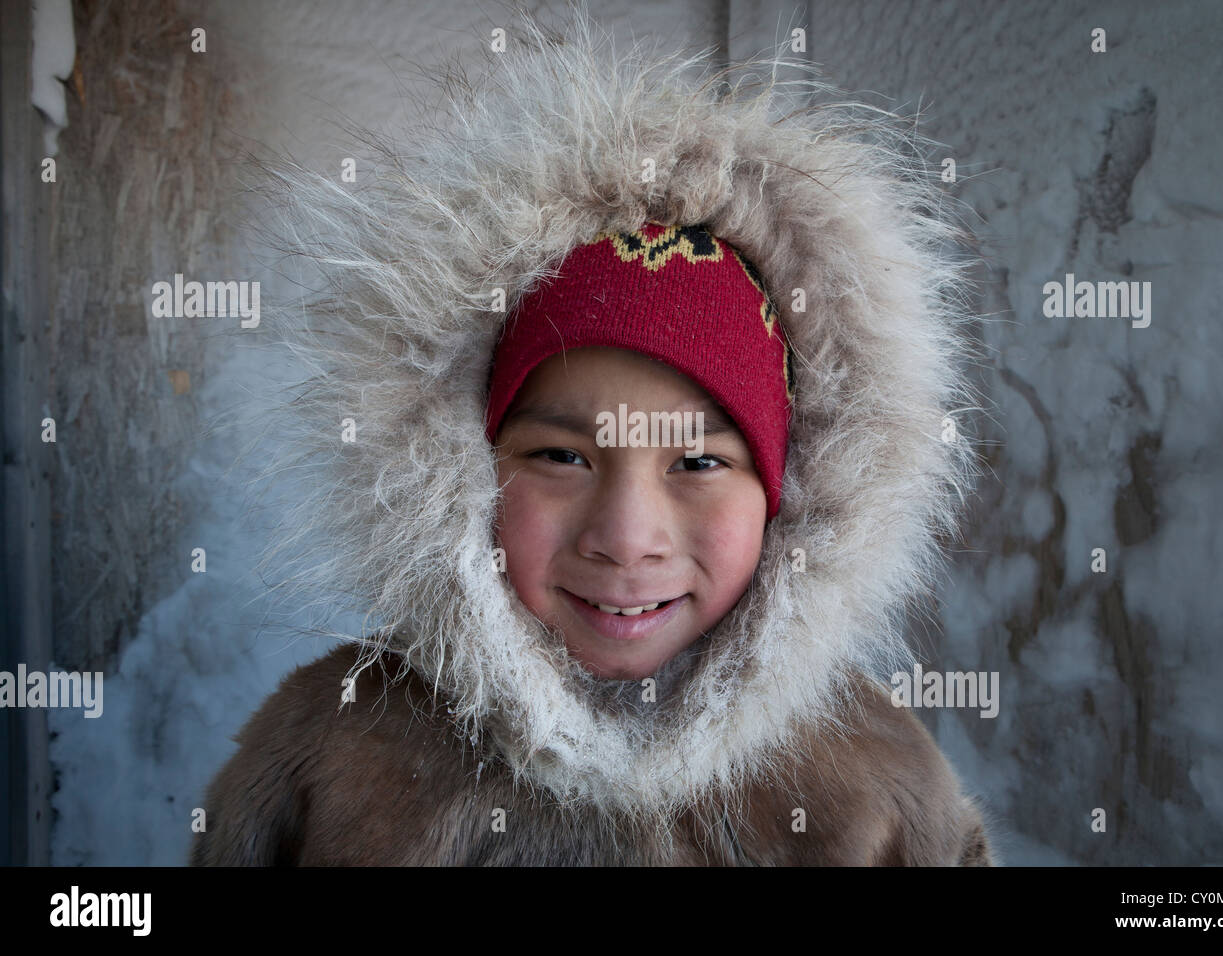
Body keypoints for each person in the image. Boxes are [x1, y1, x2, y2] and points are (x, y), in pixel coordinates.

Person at [190, 3, 995, 866]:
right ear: (459, 473)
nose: (625, 538)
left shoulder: (879, 787)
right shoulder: (330, 756)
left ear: (792, 495)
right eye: (562, 456)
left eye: (696, 460)